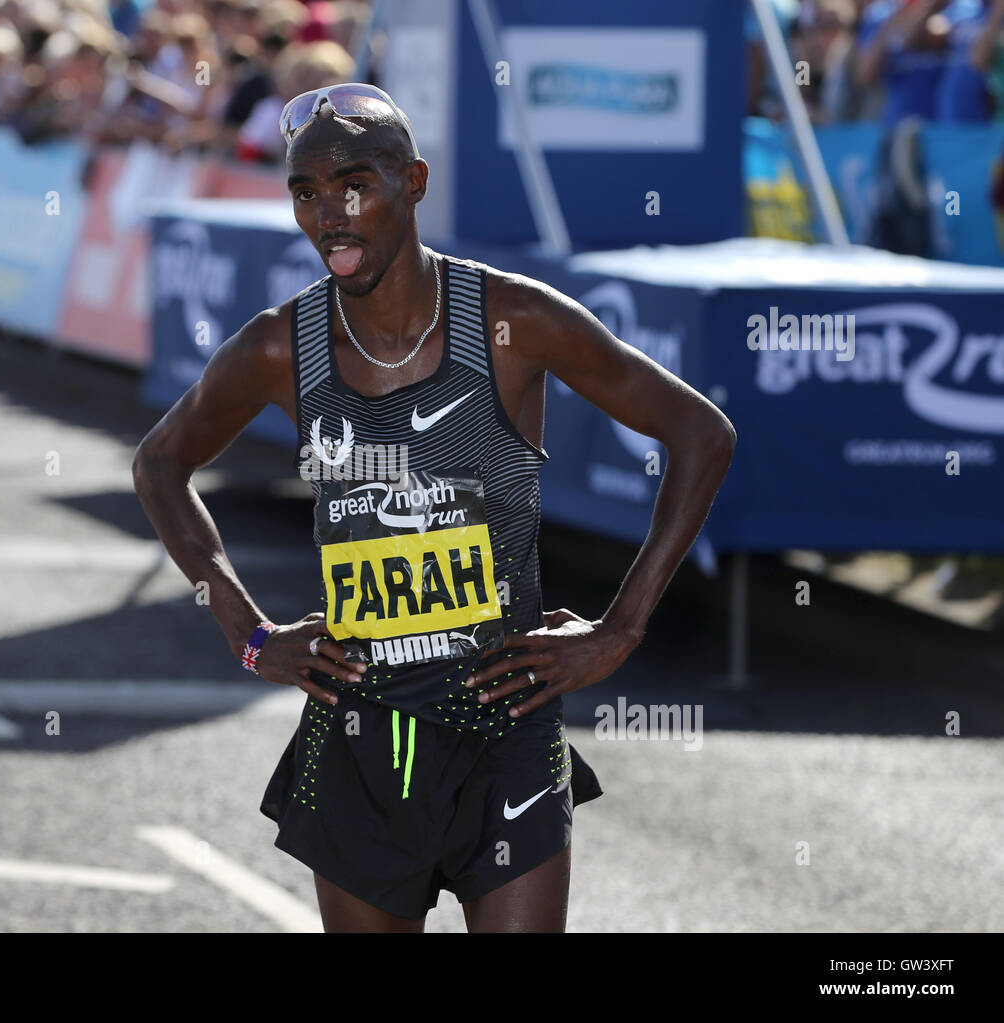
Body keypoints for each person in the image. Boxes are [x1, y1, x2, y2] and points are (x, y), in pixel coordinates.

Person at [131, 84, 736, 932]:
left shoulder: (514, 321)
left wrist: (619, 629)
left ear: (412, 181)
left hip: (507, 727)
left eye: (355, 185)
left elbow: (700, 432)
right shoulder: (280, 345)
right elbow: (160, 463)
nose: (329, 215)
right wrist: (251, 634)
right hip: (357, 735)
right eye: (305, 191)